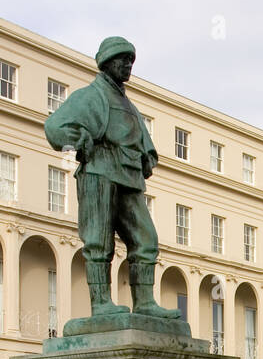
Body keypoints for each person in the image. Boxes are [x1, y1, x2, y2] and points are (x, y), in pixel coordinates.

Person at [44, 37, 177, 320]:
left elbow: (144, 143)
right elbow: (55, 127)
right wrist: (81, 142)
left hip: (129, 177)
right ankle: (101, 302)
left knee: (146, 239)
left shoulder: (128, 104)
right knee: (98, 239)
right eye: (123, 59)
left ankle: (144, 302)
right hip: (99, 172)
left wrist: (145, 157)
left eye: (131, 60)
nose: (128, 65)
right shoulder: (90, 95)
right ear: (107, 62)